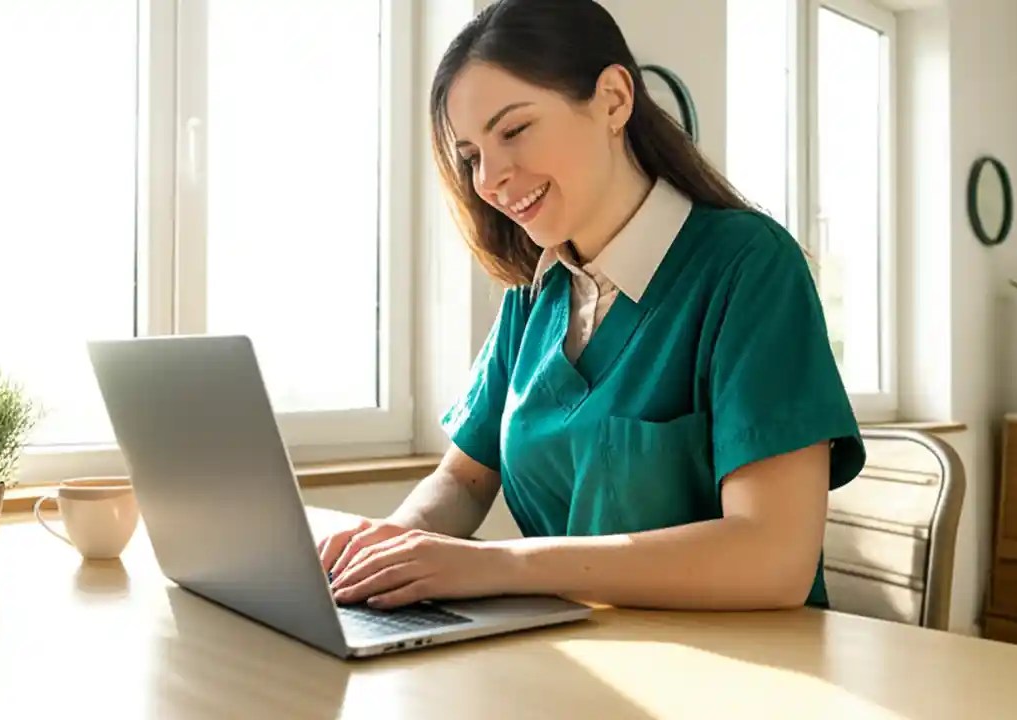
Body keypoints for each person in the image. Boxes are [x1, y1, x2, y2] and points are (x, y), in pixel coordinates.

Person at [318, 0, 865, 612]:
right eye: (471, 155)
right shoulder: (534, 293)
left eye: (514, 130)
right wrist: (388, 546)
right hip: (576, 651)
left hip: (748, 662)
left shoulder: (749, 266)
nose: (489, 179)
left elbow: (774, 558)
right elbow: (463, 480)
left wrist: (498, 566)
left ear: (613, 100)